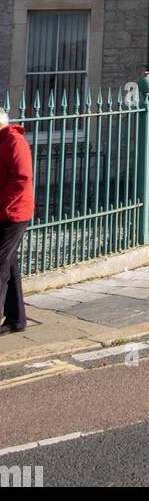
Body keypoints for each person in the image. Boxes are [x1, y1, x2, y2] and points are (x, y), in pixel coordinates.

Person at [0, 106, 35, 335]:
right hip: (5, 212)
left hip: (14, 214)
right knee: (9, 266)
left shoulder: (14, 141)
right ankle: (17, 319)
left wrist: (2, 205)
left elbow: (22, 178)